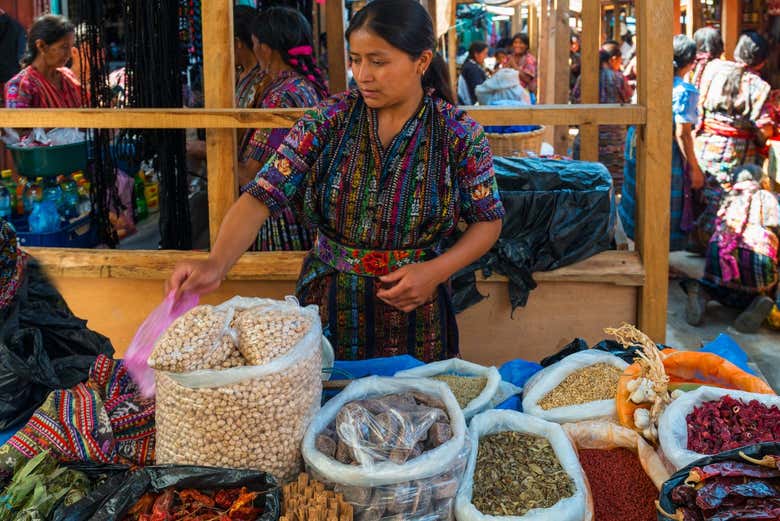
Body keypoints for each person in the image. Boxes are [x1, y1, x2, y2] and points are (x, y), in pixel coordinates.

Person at [167, 0, 504, 362]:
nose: (363, 75)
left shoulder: (458, 133)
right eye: (356, 59)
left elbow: (488, 220)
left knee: (416, 410)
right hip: (329, 306)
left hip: (417, 317)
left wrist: (436, 271)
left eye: (378, 61)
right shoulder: (328, 120)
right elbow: (262, 196)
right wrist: (216, 262)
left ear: (421, 61)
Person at [239, 7, 328, 252]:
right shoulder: (308, 87)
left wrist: (210, 151)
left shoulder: (281, 98)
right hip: (306, 218)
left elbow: (251, 175)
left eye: (255, 44)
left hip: (280, 224)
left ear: (265, 50)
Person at [620, 35, 705, 251]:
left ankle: (642, 248)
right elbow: (683, 134)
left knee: (639, 194)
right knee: (663, 201)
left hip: (637, 143)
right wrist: (693, 167)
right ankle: (657, 258)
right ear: (690, 62)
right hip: (663, 149)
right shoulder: (685, 90)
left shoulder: (651, 80)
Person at [694, 32, 774, 245]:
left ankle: (701, 243)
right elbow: (764, 127)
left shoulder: (714, 69)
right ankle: (721, 249)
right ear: (762, 60)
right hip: (735, 153)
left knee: (706, 197)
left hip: (704, 146)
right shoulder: (758, 85)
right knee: (727, 200)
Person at [684, 165, 780, 333]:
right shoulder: (772, 198)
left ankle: (702, 292)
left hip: (719, 259)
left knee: (715, 275)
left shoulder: (724, 195)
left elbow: (705, 228)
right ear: (761, 181)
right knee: (768, 275)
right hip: (757, 261)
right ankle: (758, 300)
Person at [572, 46, 632, 189]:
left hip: (587, 136)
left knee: (587, 183)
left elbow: (575, 100)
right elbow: (628, 100)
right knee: (612, 185)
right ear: (609, 61)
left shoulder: (583, 79)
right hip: (614, 141)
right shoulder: (618, 78)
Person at [4, 14, 82, 109]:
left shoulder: (68, 77)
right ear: (41, 46)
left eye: (71, 46)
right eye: (64, 47)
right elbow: (18, 123)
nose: (69, 54)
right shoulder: (20, 86)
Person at [457, 41, 488, 105]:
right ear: (476, 54)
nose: (486, 56)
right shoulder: (472, 69)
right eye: (484, 54)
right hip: (469, 106)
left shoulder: (470, 65)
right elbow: (479, 90)